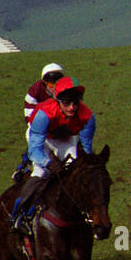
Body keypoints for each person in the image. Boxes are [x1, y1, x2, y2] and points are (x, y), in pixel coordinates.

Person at [9, 77, 96, 234]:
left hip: (66, 138)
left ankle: (89, 215)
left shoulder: (88, 117)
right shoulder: (44, 114)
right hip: (42, 139)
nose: (72, 107)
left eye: (75, 103)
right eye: (66, 103)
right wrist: (48, 162)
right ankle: (19, 215)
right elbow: (35, 150)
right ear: (57, 101)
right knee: (42, 172)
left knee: (77, 171)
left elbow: (86, 149)